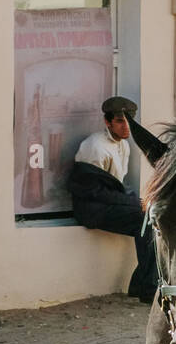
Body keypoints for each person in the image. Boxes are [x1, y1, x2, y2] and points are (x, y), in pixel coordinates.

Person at [67, 96, 158, 304]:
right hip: (91, 209)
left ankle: (140, 285)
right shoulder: (94, 146)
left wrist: (140, 201)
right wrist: (135, 203)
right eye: (119, 121)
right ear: (107, 122)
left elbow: (116, 184)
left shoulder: (124, 145)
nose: (126, 127)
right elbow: (91, 190)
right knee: (146, 219)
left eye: (128, 121)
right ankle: (147, 287)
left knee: (151, 220)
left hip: (108, 204)